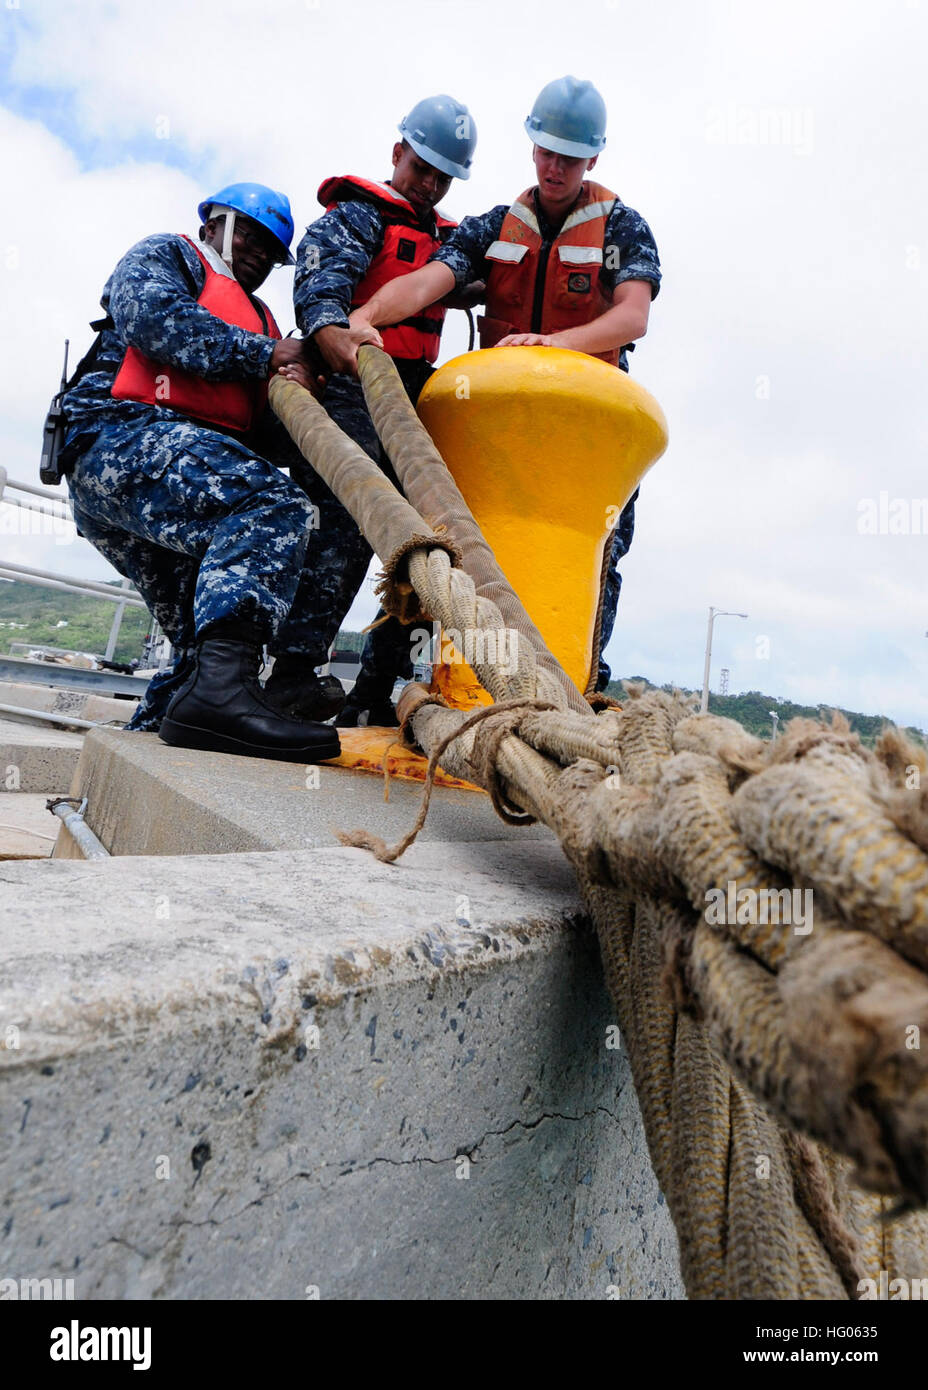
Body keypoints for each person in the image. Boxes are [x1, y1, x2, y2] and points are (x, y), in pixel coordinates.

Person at [351, 76, 662, 692]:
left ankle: (579, 686)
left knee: (601, 550)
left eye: (569, 158)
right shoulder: (494, 226)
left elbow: (633, 317)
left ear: (592, 159)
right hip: (498, 423)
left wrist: (554, 345)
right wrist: (363, 319)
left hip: (583, 427)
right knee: (438, 539)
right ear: (532, 147)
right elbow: (427, 284)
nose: (555, 167)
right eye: (546, 152)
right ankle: (381, 682)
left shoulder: (624, 228)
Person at [59, 182, 344, 762]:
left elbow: (255, 433)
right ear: (214, 225)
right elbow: (153, 319)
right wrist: (265, 356)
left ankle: (149, 751)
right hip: (118, 440)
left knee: (200, 642)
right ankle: (222, 695)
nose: (260, 256)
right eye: (252, 238)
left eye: (272, 251)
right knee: (273, 504)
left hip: (183, 484)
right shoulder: (168, 256)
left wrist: (301, 387)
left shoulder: (262, 324)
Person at [289, 95, 478, 727]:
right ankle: (292, 673)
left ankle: (378, 686)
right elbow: (320, 283)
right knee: (339, 531)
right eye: (421, 167)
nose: (429, 183)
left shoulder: (454, 242)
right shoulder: (359, 215)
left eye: (442, 176)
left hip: (418, 401)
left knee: (422, 544)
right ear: (398, 154)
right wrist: (327, 331)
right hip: (356, 384)